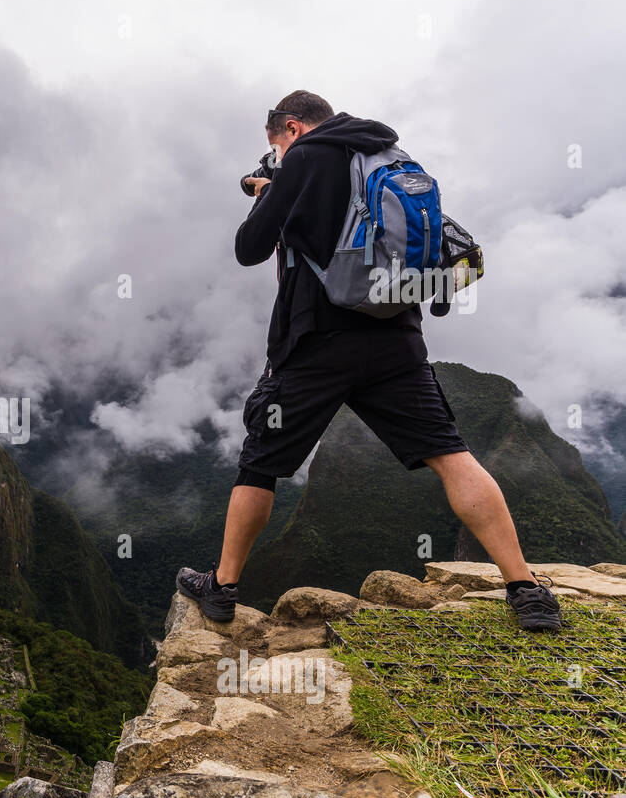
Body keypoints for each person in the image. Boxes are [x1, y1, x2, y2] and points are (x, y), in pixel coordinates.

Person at [177, 90, 563, 634]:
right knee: (450, 454)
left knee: (259, 465)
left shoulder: (303, 160)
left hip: (315, 343)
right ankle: (525, 589)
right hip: (395, 339)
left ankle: (222, 587)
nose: (280, 153)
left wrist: (267, 192)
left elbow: (249, 248)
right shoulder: (386, 154)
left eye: (278, 143)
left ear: (291, 127)